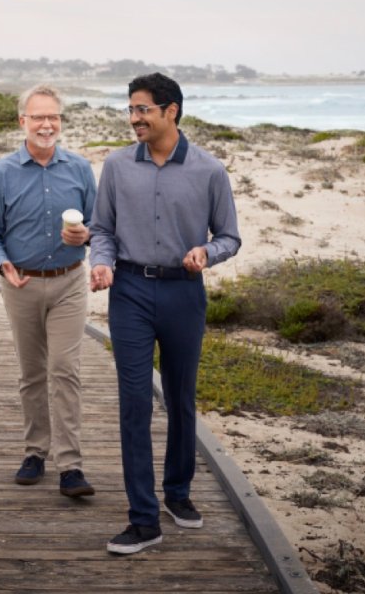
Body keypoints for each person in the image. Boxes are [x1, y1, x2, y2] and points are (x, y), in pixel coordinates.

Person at [88, 73, 241, 555]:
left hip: (183, 294)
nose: (134, 118)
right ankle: (143, 518)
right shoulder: (115, 166)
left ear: (170, 110)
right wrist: (102, 263)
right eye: (131, 110)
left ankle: (178, 493)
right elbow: (101, 229)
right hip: (129, 291)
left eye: (143, 110)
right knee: (134, 402)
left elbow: (230, 237)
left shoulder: (209, 170)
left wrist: (207, 253)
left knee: (180, 397)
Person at [0, 84, 98, 498]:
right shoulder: (1, 173)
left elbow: (99, 228)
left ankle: (70, 465)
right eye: (38, 117)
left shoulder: (81, 169)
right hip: (22, 285)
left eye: (53, 117)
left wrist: (84, 236)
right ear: (23, 122)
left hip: (69, 282)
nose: (47, 125)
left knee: (64, 371)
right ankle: (35, 452)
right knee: (31, 374)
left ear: (60, 122)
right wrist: (2, 263)